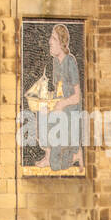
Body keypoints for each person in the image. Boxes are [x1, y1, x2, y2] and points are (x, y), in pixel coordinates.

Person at [25, 23, 82, 171]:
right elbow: (59, 90)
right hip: (59, 107)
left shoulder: (70, 61)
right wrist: (48, 97)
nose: (50, 41)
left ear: (62, 44)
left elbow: (77, 96)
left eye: (54, 38)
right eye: (51, 37)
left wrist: (62, 104)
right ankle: (48, 154)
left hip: (70, 112)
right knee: (42, 110)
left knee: (57, 166)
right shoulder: (56, 61)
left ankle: (76, 155)